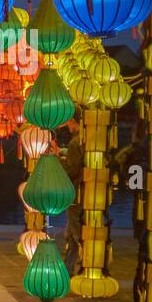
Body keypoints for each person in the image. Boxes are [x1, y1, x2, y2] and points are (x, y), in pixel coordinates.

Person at [61, 117, 85, 275]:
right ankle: (67, 270)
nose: (67, 125)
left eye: (69, 121)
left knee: (76, 234)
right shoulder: (84, 139)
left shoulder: (75, 143)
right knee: (71, 233)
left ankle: (87, 266)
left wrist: (57, 160)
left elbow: (71, 169)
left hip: (77, 193)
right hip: (84, 192)